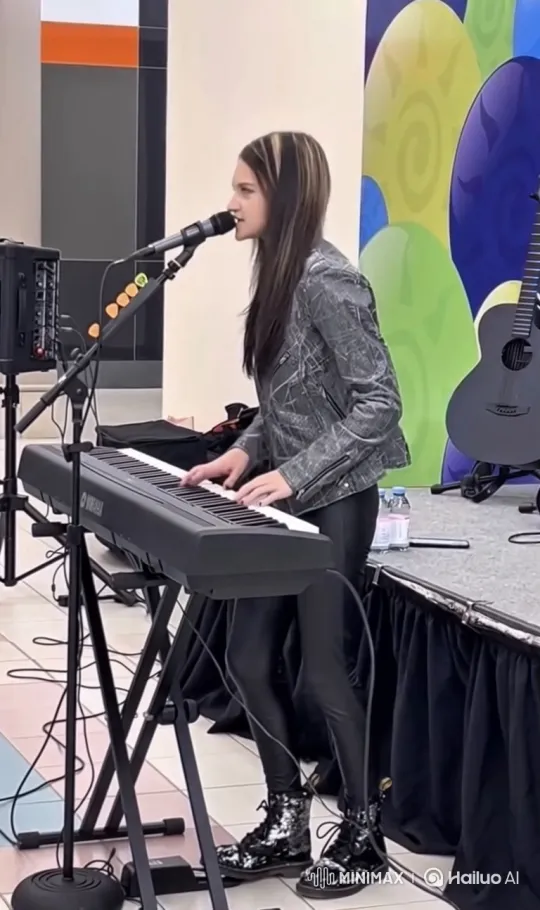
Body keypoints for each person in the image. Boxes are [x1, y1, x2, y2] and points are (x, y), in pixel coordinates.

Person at [182, 131, 410, 900]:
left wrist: (295, 473)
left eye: (245, 190)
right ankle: (285, 820)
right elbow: (289, 401)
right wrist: (245, 452)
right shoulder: (280, 271)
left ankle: (363, 832)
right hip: (284, 490)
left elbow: (380, 403)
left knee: (325, 670)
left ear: (284, 197)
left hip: (337, 496)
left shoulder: (328, 280)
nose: (232, 203)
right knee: (247, 658)